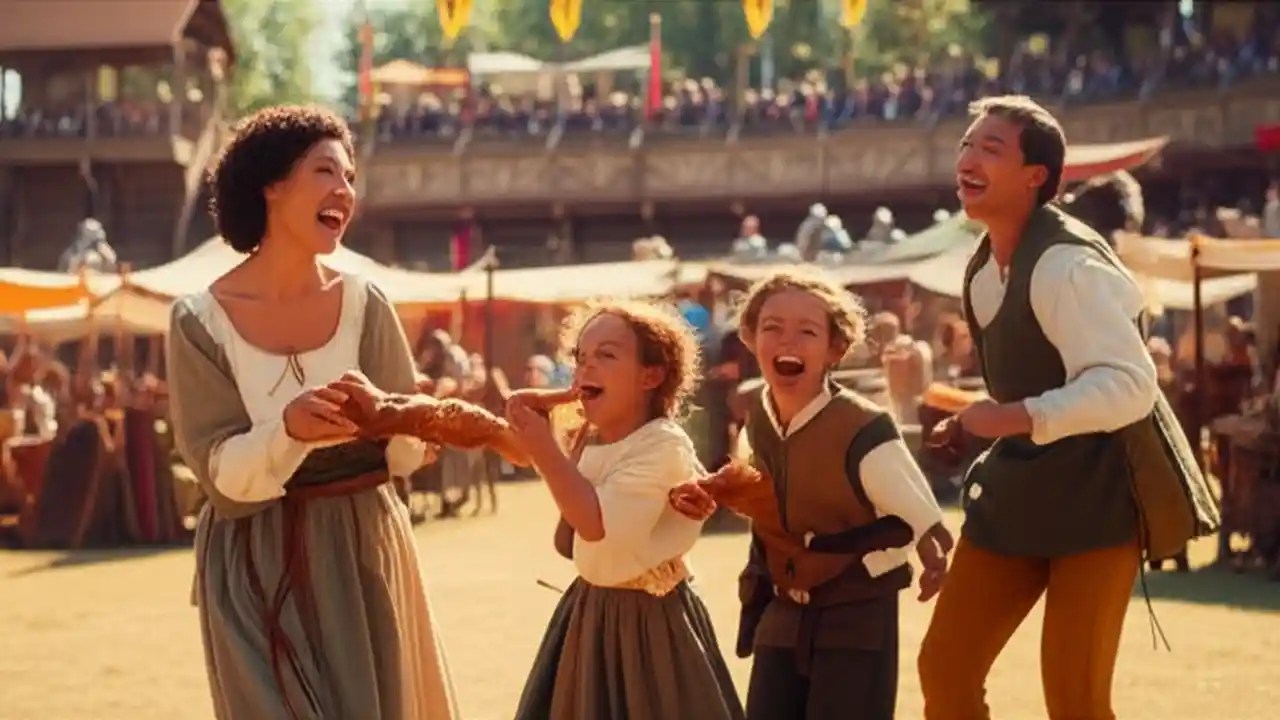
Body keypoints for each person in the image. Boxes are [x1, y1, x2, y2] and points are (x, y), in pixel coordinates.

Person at [165, 105, 457, 719]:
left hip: (361, 543)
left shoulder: (365, 303)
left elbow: (403, 450)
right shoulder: (198, 320)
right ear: (271, 185)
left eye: (350, 177)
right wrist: (289, 430)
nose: (344, 191)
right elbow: (219, 471)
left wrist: (418, 425)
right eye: (326, 171)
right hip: (253, 556)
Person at [917, 95, 1190, 719]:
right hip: (1017, 494)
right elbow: (1031, 386)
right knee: (945, 670)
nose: (968, 158)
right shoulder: (982, 271)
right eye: (966, 145)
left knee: (1076, 701)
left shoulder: (1067, 265)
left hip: (1098, 502)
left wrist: (1011, 417)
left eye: (991, 148)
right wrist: (976, 416)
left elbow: (1130, 384)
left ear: (1035, 176)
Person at [678, 271, 950, 720]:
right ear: (749, 338)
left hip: (855, 615)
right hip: (783, 611)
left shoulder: (863, 427)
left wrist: (839, 548)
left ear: (835, 348)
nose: (788, 341)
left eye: (807, 331)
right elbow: (766, 505)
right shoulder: (758, 421)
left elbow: (913, 522)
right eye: (772, 327)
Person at [508, 301, 744, 720]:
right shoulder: (592, 440)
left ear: (650, 376)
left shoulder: (662, 445)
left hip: (650, 627)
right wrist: (561, 452)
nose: (586, 366)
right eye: (580, 356)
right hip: (592, 614)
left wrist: (544, 449)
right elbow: (568, 542)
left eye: (606, 355)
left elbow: (597, 527)